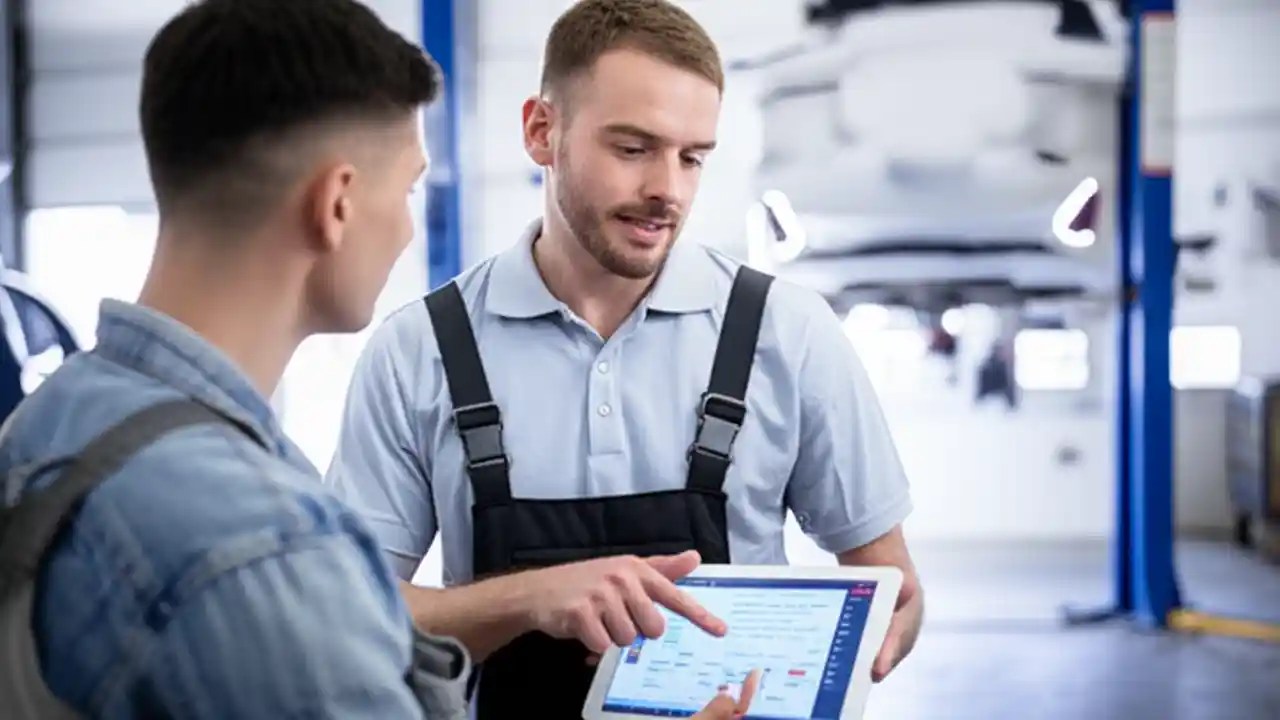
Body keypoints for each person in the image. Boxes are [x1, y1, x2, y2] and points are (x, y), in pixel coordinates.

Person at [0, 1, 748, 718]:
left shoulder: (50, 424)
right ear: (337, 204)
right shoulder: (262, 538)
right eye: (410, 188)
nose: (405, 230)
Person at [326, 0, 926, 717]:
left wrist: (873, 640)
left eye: (692, 156)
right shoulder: (418, 353)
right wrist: (533, 597)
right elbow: (348, 620)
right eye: (634, 148)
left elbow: (891, 588)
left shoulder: (787, 334)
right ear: (542, 132)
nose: (666, 190)